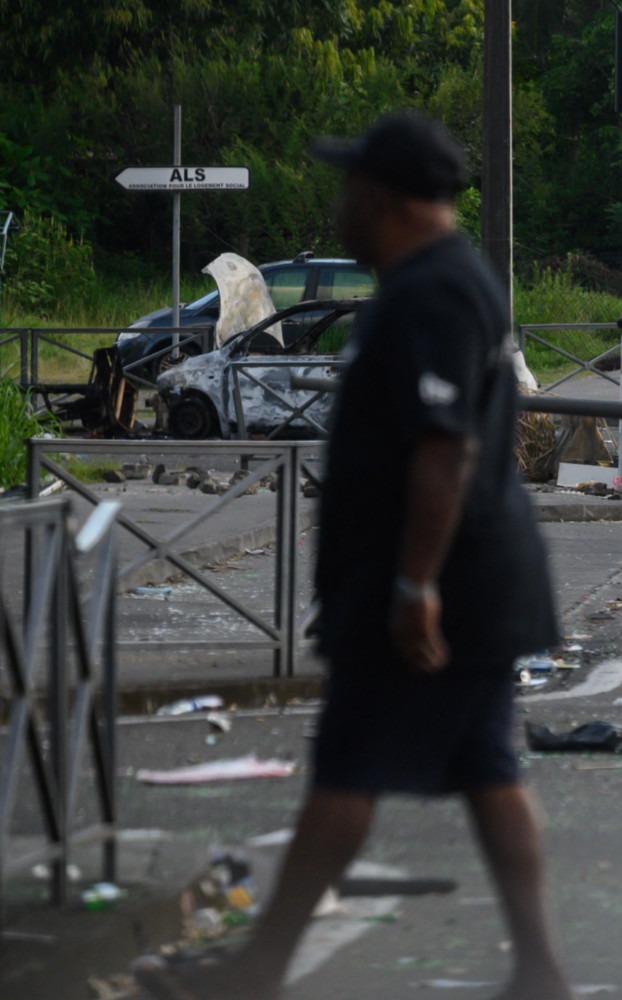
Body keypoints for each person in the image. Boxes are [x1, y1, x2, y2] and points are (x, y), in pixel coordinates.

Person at [136, 112, 571, 1000]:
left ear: (383, 197)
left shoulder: (434, 293)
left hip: (432, 581)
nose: (341, 206)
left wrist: (413, 584)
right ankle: (540, 970)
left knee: (348, 769)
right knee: (487, 766)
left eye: (350, 189)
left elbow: (443, 446)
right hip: (467, 580)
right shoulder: (443, 281)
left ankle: (260, 968)